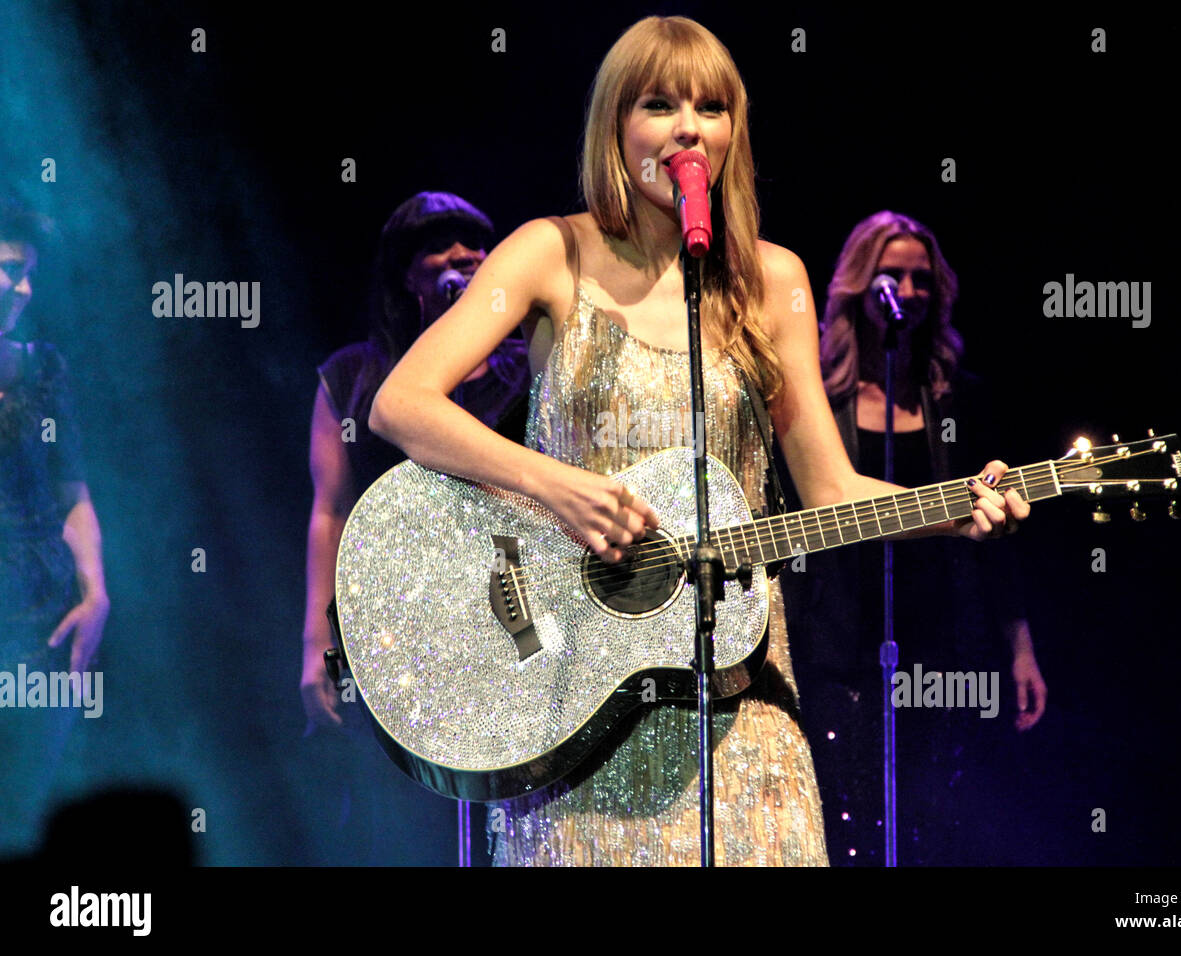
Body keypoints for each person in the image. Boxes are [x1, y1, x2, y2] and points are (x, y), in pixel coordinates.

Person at [368, 17, 1030, 867]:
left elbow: (830, 491)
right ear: (617, 124)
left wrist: (957, 512)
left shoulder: (774, 280)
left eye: (710, 108)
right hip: (575, 697)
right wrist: (555, 487)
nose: (689, 126)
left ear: (732, 133)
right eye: (660, 103)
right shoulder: (548, 253)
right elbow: (403, 403)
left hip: (742, 700)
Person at [781, 210, 1048, 865]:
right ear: (857, 285)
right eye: (891, 274)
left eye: (920, 277)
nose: (907, 288)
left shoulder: (957, 400)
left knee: (931, 820)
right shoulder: (812, 396)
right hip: (833, 636)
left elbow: (997, 529)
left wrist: (1021, 648)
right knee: (851, 821)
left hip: (936, 634)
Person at [299, 191, 529, 864]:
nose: (463, 254)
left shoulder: (529, 366)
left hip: (511, 615)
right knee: (392, 815)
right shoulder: (354, 375)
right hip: (387, 620)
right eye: (440, 243)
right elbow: (329, 509)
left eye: (474, 241)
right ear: (406, 272)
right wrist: (315, 638)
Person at [0, 199, 110, 853]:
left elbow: (74, 495)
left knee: (22, 808)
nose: (26, 288)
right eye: (12, 269)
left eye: (31, 272)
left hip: (42, 605)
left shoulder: (43, 367)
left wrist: (95, 594)